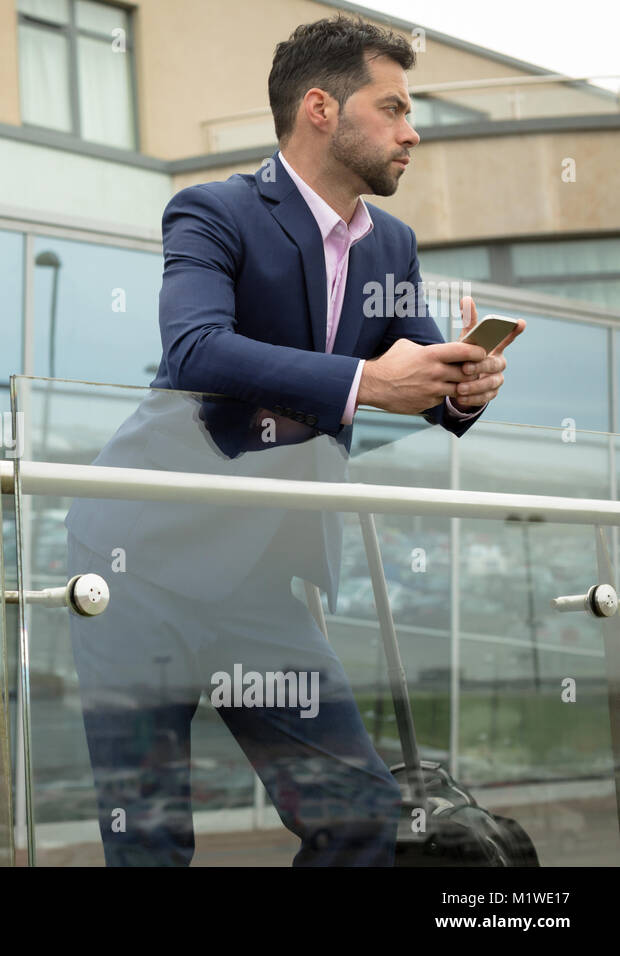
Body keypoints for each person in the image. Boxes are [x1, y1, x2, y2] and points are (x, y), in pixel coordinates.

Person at [63, 14, 524, 867]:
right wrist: (364, 383)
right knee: (151, 837)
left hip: (260, 582)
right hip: (140, 559)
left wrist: (465, 384)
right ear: (321, 108)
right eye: (392, 109)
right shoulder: (213, 211)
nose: (411, 131)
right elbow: (195, 348)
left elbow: (415, 372)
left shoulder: (392, 245)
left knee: (360, 815)